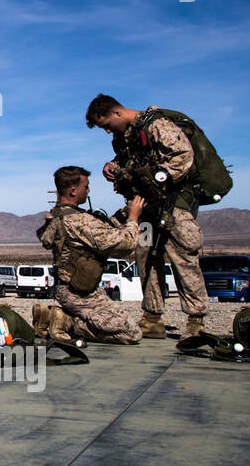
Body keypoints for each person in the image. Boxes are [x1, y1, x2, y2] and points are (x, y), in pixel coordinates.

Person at [86, 95, 209, 338]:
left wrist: (160, 177)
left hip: (172, 204)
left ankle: (196, 322)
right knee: (145, 258)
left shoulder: (156, 124)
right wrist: (112, 166)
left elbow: (183, 155)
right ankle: (152, 318)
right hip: (144, 206)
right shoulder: (124, 137)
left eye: (107, 125)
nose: (107, 131)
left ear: (118, 113)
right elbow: (130, 160)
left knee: (183, 257)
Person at [37, 166, 144, 344]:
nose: (88, 190)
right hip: (80, 295)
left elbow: (101, 230)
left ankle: (57, 316)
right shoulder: (81, 221)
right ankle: (67, 323)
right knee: (130, 333)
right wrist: (133, 218)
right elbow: (125, 244)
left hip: (68, 288)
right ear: (73, 191)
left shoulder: (57, 216)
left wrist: (124, 213)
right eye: (85, 186)